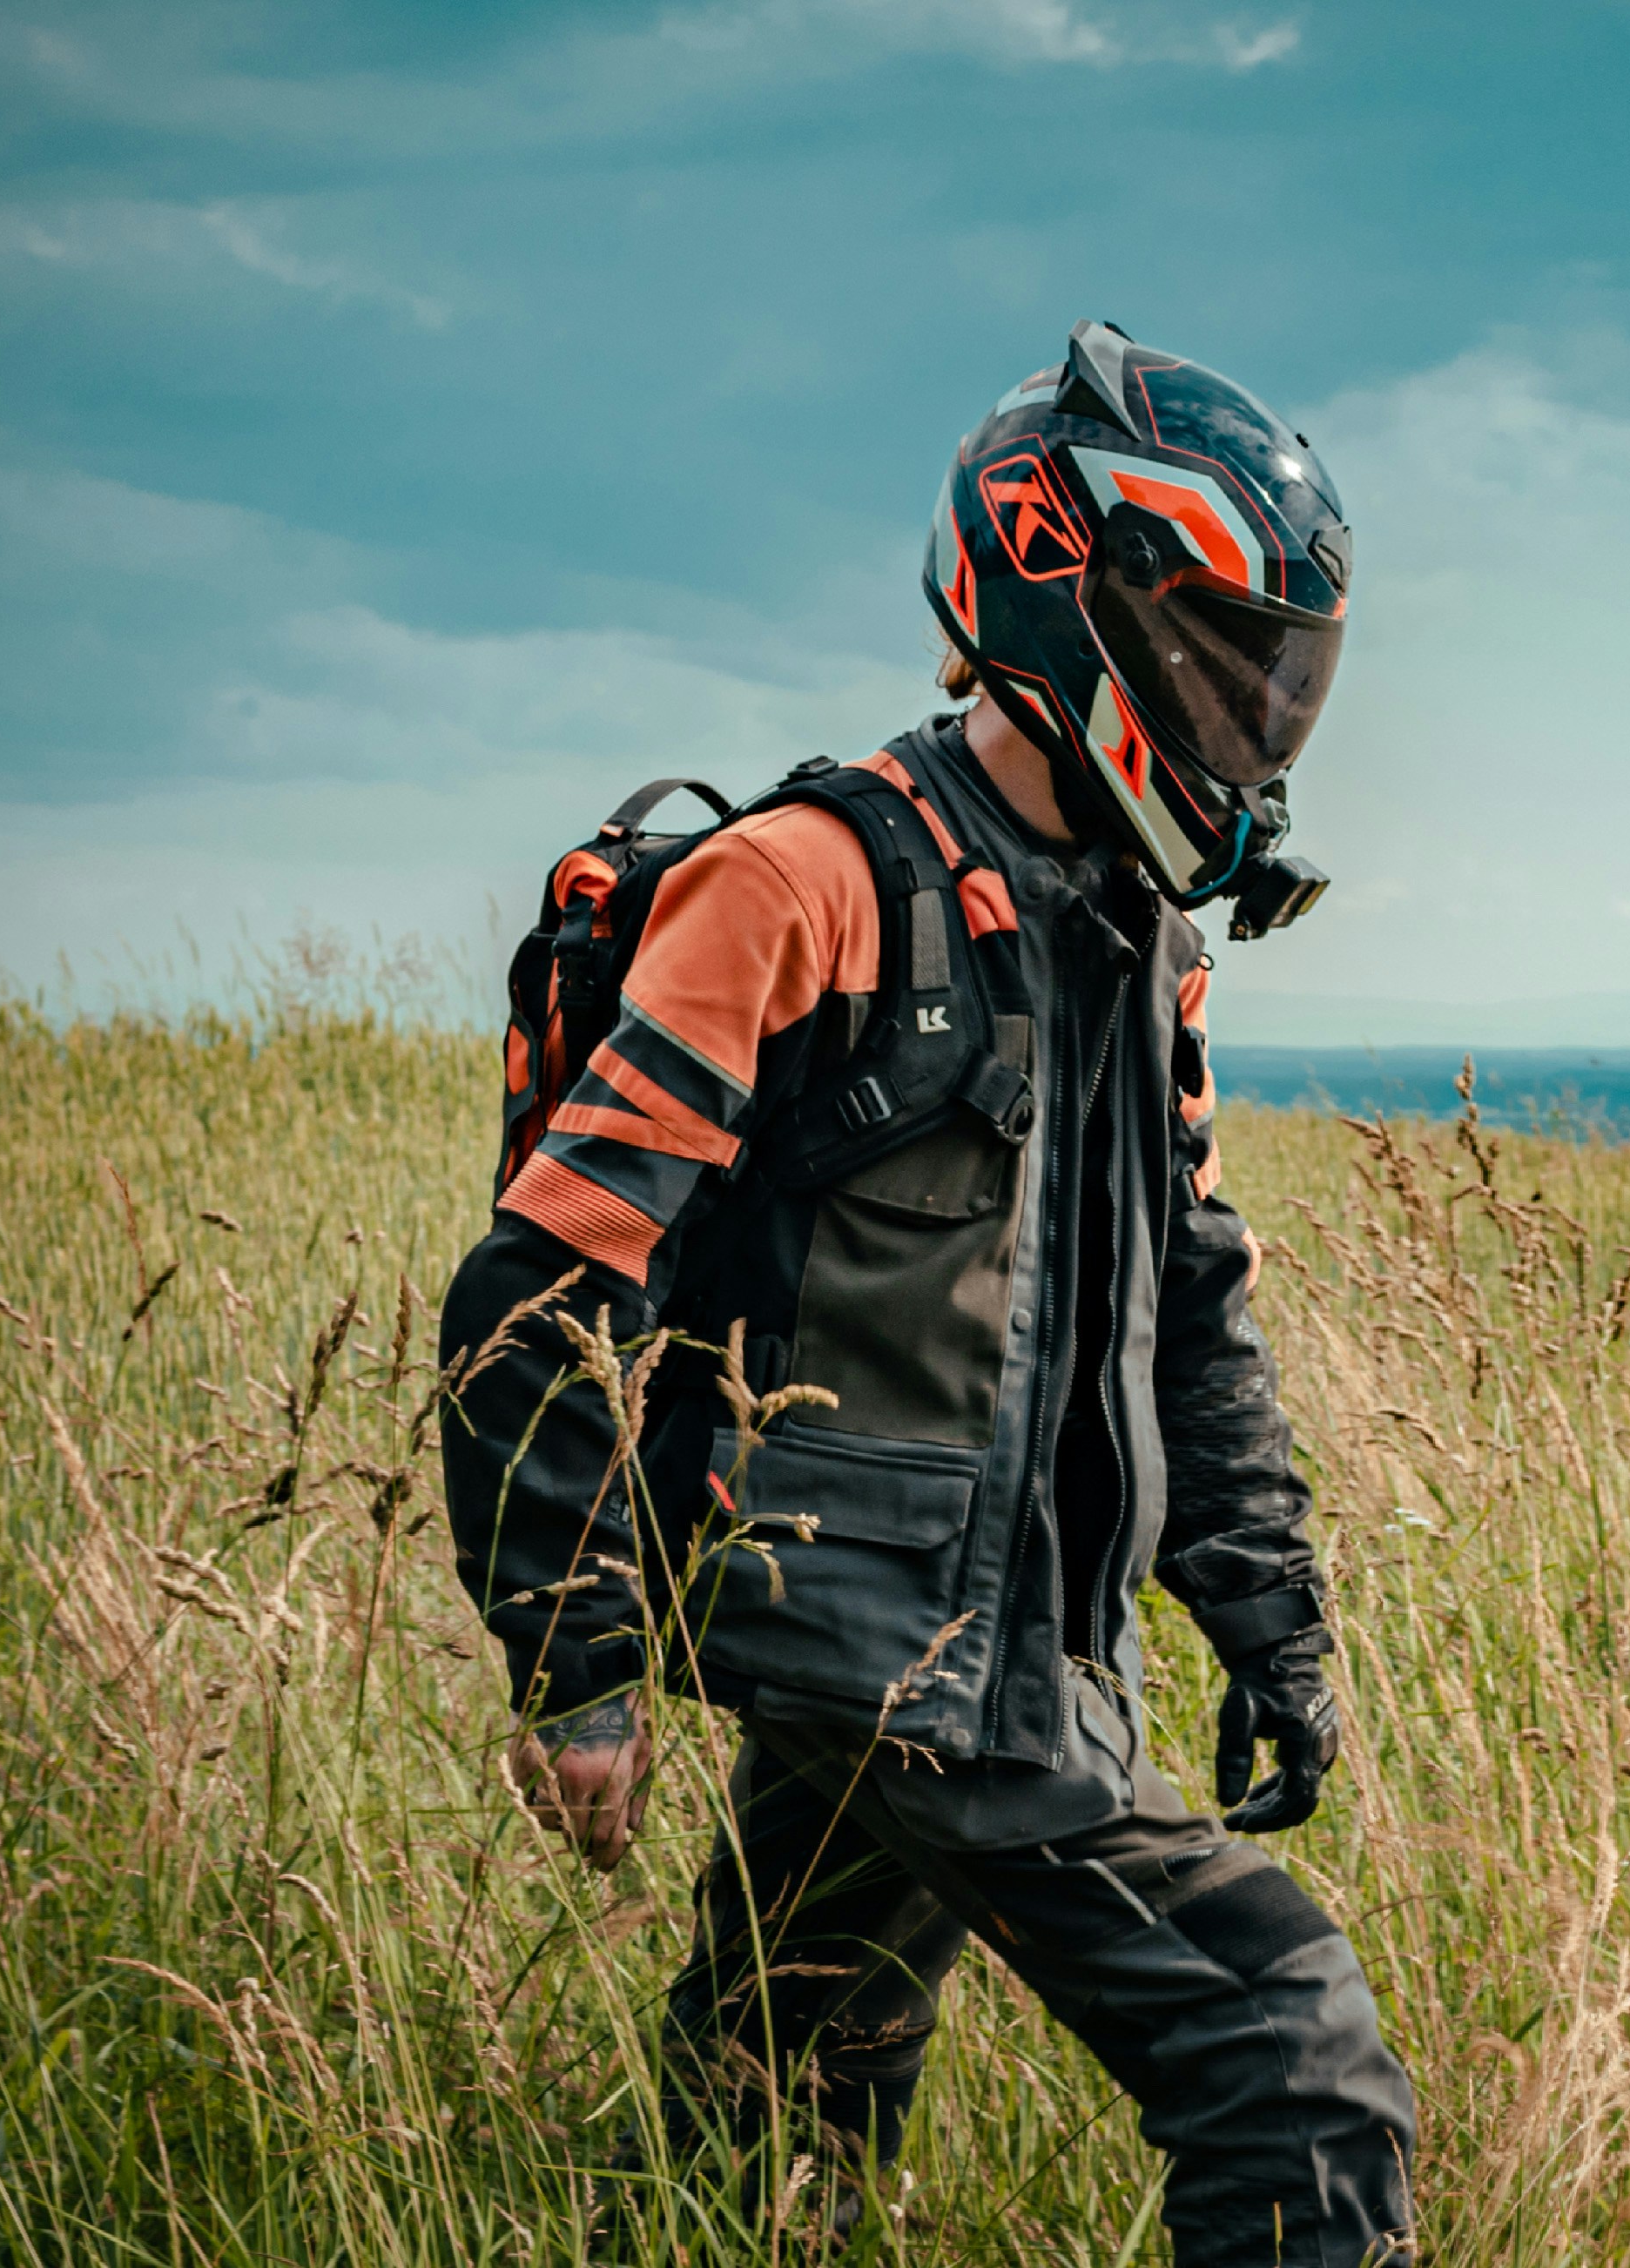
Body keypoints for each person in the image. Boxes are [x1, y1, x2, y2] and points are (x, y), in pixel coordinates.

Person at [437, 321, 1412, 2265]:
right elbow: (539, 1285)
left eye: (1277, 682)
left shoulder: (1141, 941)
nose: (1251, 725)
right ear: (1067, 598)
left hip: (1003, 1637)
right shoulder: (799, 883)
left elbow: (1189, 1302)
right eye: (1221, 663)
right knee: (1290, 2061)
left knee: (784, 2100)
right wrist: (577, 1666)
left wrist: (1265, 1610)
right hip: (886, 1647)